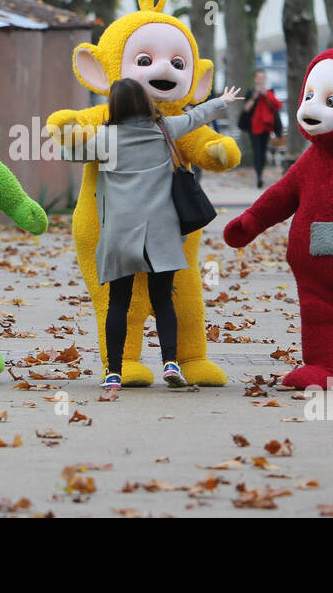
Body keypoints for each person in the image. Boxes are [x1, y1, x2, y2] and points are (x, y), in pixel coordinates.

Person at [61, 78, 242, 388]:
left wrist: (69, 131)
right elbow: (195, 118)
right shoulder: (164, 129)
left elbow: (70, 153)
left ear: (114, 105)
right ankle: (171, 362)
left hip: (121, 233)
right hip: (162, 232)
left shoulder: (105, 138)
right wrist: (221, 101)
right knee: (164, 301)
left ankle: (114, 371)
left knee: (119, 303)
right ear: (146, 102)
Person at [239, 70, 282, 188]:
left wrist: (266, 95)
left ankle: (261, 173)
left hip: (266, 127)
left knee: (263, 151)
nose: (261, 80)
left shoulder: (270, 92)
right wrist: (254, 97)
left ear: (265, 79)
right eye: (259, 77)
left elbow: (277, 106)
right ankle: (259, 176)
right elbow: (246, 109)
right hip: (254, 127)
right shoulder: (251, 92)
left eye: (262, 78)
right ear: (255, 79)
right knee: (257, 151)